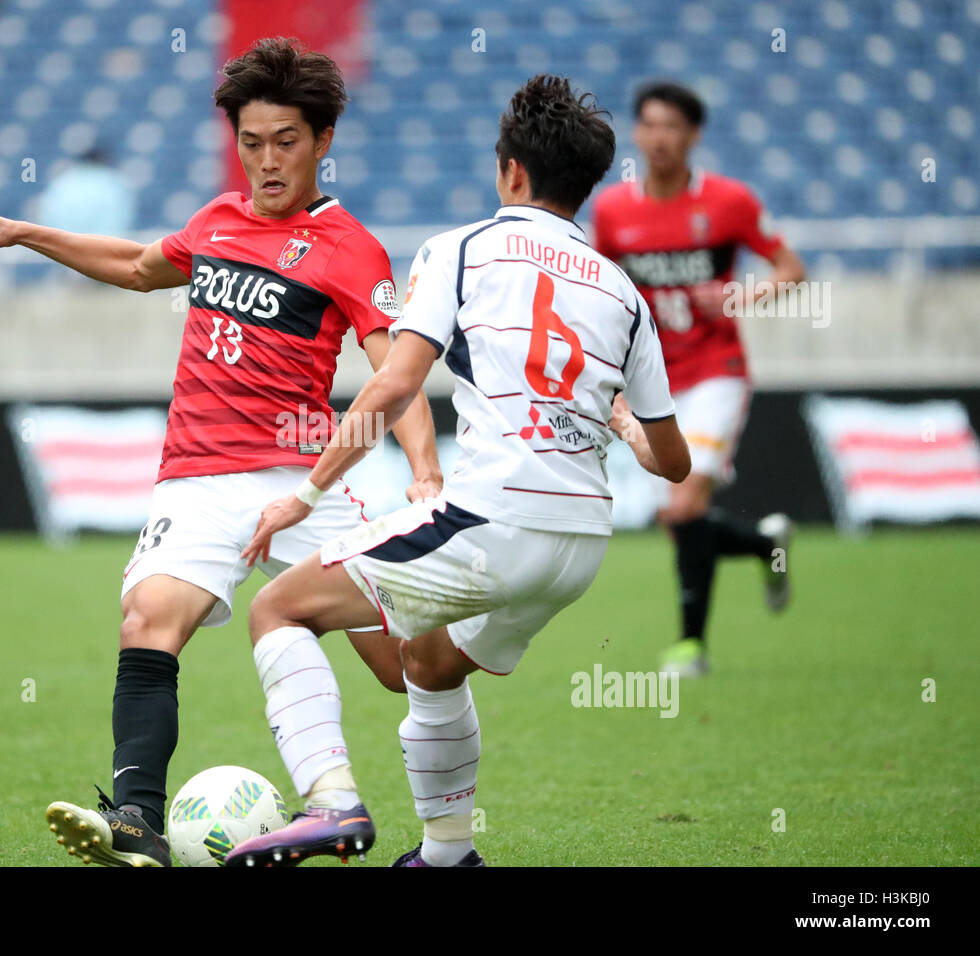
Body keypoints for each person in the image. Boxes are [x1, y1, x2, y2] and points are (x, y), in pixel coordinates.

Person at [0, 37, 443, 867]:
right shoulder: (216, 220)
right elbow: (141, 266)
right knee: (146, 622)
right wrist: (20, 231)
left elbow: (398, 372)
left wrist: (426, 474)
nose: (268, 160)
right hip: (199, 475)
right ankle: (138, 821)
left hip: (305, 477)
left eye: (287, 140)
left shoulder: (349, 246)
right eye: (252, 143)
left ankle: (444, 821)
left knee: (402, 668)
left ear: (323, 141)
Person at [221, 74, 690, 868]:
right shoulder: (623, 292)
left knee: (277, 610)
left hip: (494, 520)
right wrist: (619, 425)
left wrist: (306, 495)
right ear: (587, 185)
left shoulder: (460, 248)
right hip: (580, 542)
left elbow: (395, 382)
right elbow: (672, 461)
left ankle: (331, 804)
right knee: (430, 663)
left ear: (510, 171)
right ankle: (447, 856)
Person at [591, 81, 806, 677]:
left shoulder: (729, 201)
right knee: (676, 520)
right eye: (650, 126)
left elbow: (791, 269)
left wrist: (740, 294)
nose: (659, 139)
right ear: (636, 133)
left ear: (693, 135)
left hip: (716, 373)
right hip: (653, 381)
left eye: (672, 127)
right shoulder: (613, 212)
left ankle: (691, 649)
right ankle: (766, 547)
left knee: (683, 504)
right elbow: (603, 294)